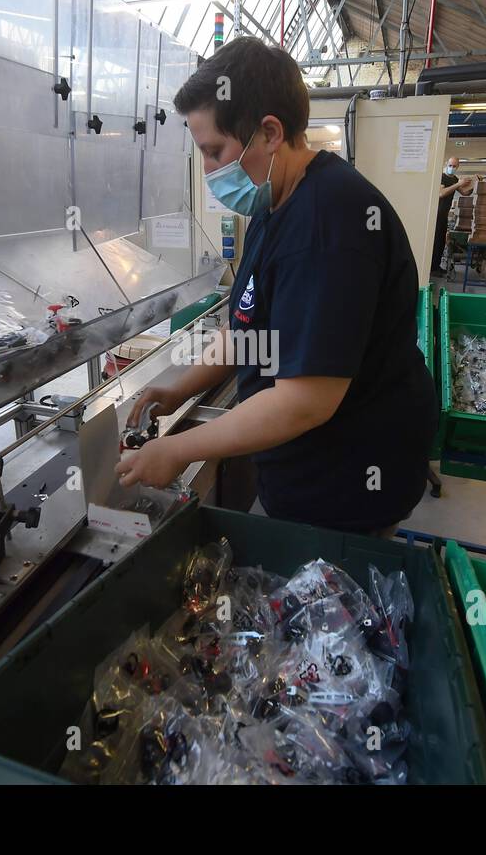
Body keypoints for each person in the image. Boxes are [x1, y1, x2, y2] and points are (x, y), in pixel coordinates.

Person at [114, 37, 437, 536]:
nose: (209, 171)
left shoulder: (330, 226)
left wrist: (178, 449)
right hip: (303, 469)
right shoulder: (274, 204)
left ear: (269, 133)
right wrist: (179, 389)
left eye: (214, 151)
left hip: (347, 488)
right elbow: (245, 323)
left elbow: (306, 399)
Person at [430, 159, 474, 277]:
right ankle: (431, 269)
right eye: (450, 165)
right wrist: (459, 184)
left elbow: (464, 193)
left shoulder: (454, 179)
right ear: (446, 165)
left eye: (454, 166)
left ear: (458, 167)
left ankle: (436, 267)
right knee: (435, 242)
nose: (452, 167)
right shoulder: (442, 177)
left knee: (440, 242)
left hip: (444, 215)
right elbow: (441, 193)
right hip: (437, 214)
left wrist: (474, 184)